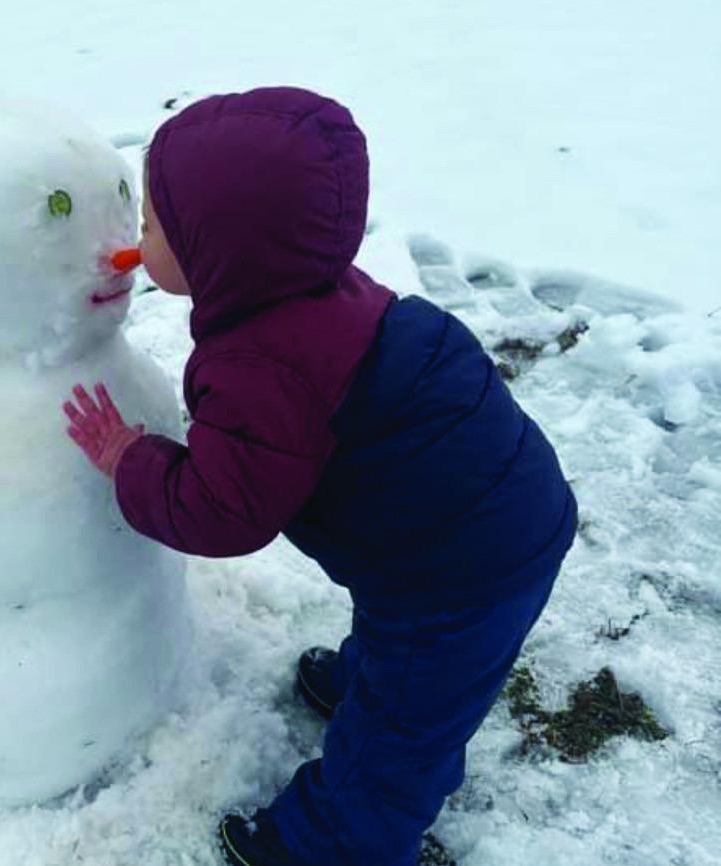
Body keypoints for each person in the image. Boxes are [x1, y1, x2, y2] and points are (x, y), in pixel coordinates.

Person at [62, 86, 577, 866]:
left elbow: (223, 513)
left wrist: (128, 457)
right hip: (477, 520)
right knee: (407, 651)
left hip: (465, 570)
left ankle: (329, 847)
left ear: (218, 245)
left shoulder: (261, 367)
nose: (138, 237)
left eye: (154, 225)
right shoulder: (314, 294)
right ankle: (378, 682)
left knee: (399, 740)